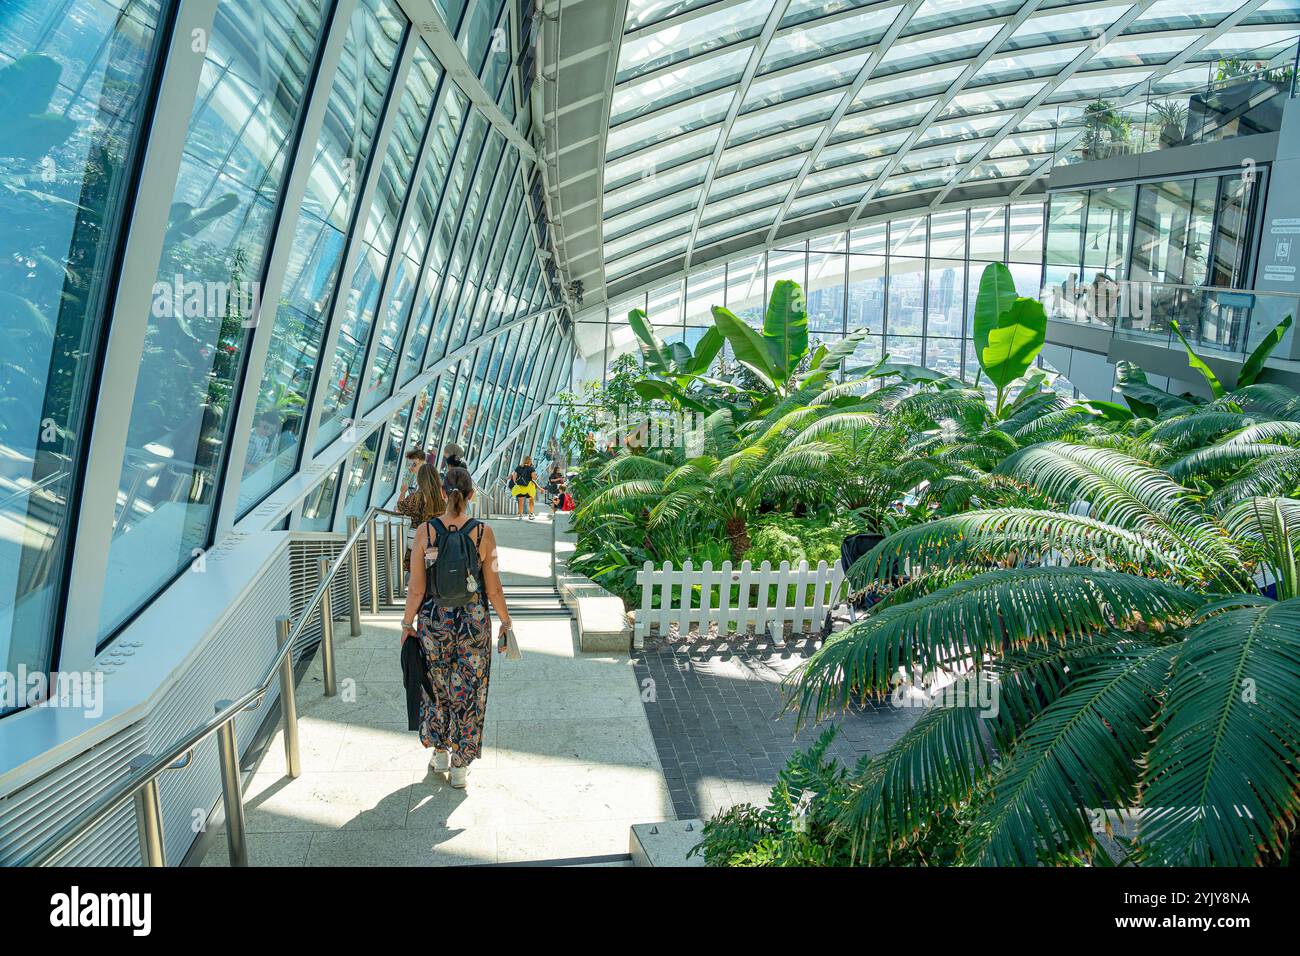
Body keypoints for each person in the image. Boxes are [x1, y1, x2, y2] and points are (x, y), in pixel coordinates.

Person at [400, 467, 511, 788]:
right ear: (472, 495)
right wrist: (506, 620)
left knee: (435, 685)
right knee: (469, 689)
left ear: (443, 493)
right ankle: (461, 766)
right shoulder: (483, 533)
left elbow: (416, 589)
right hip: (473, 622)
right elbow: (493, 587)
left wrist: (408, 624)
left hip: (435, 620)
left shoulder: (426, 532)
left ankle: (440, 752)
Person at [395, 461, 444, 570]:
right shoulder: (441, 499)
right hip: (434, 541)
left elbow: (398, 509)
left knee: (415, 570)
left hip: (416, 539)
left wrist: (403, 492)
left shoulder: (416, 497)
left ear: (420, 479)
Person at [510, 455, 537, 519]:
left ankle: (520, 514)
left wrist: (516, 483)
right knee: (531, 500)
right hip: (529, 487)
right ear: (530, 461)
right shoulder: (531, 468)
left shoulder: (518, 467)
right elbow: (534, 478)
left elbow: (514, 476)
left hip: (520, 487)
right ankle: (531, 514)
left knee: (521, 501)